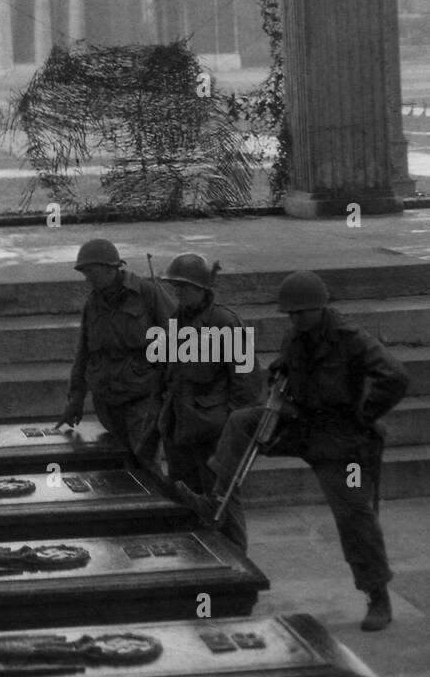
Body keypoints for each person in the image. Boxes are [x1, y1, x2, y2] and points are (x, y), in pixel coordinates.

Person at [177, 271, 408, 632]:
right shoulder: (294, 336)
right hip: (299, 425)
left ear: (320, 307)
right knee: (241, 421)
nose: (295, 319)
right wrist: (279, 383)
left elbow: (395, 377)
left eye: (302, 313)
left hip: (340, 441)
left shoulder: (352, 339)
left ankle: (377, 595)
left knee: (354, 517)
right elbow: (282, 369)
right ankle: (218, 495)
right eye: (291, 314)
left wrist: (363, 416)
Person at [157, 253, 261, 552]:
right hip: (180, 427)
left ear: (202, 289)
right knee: (185, 501)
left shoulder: (224, 322)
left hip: (215, 432)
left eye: (184, 287)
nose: (178, 293)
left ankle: (239, 568)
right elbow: (169, 373)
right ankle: (197, 563)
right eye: (175, 287)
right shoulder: (176, 320)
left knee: (223, 502)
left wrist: (230, 429)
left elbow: (247, 385)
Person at [56, 238, 174, 467]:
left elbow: (178, 340)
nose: (87, 277)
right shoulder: (93, 302)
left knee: (146, 466)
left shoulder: (147, 294)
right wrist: (76, 399)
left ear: (109, 268)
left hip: (142, 400)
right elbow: (84, 353)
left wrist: (170, 391)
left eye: (90, 271)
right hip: (107, 404)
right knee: (119, 465)